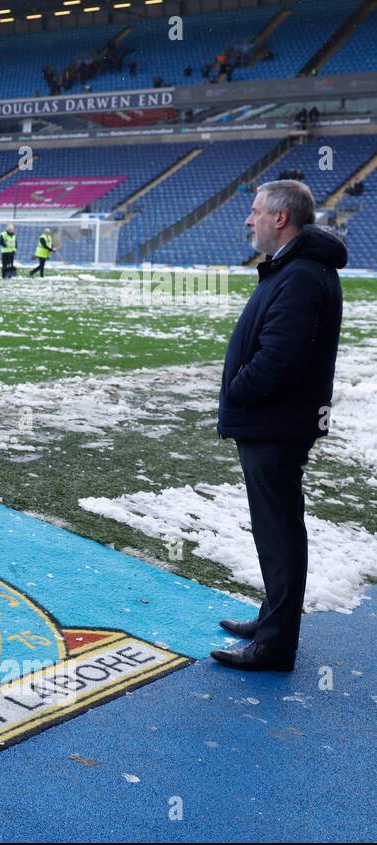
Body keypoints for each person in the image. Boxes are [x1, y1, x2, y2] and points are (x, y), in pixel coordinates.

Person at [212, 181, 345, 672]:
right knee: (275, 529)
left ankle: (275, 643)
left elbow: (281, 358)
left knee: (280, 531)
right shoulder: (296, 268)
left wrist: (238, 390)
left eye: (255, 212)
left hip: (276, 424)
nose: (249, 221)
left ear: (280, 219)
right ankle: (273, 620)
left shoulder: (302, 274)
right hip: (274, 421)